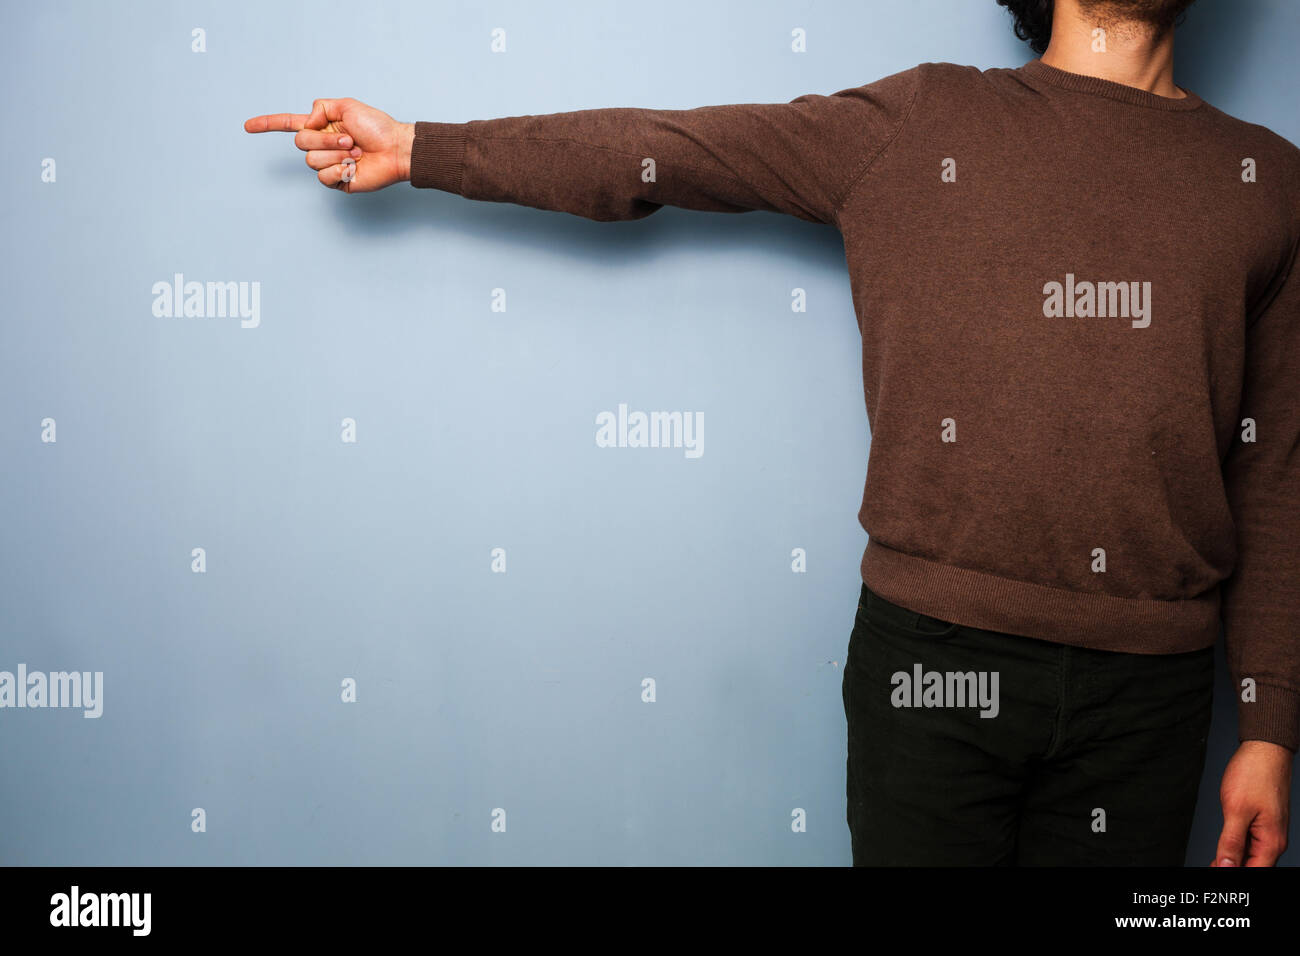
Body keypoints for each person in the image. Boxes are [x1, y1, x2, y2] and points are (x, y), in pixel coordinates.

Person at [244, 0, 1298, 865]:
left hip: (1152, 695)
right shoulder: (925, 119)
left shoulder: (1265, 183)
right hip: (931, 667)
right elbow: (659, 153)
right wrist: (427, 147)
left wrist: (1266, 724)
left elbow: (1275, 473)